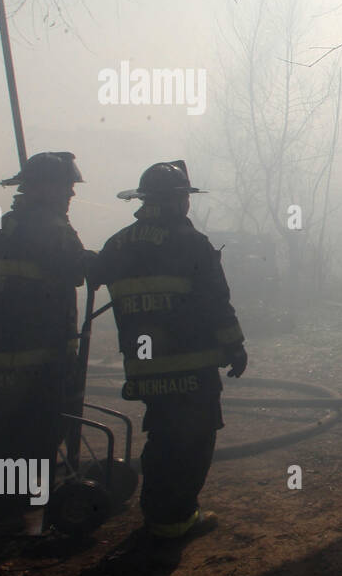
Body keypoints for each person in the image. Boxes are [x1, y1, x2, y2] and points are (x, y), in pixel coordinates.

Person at [89, 160, 246, 539]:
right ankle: (174, 520)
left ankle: (158, 513)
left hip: (145, 368)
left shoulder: (118, 243)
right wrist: (234, 345)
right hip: (191, 368)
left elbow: (94, 274)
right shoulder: (191, 243)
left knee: (162, 437)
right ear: (179, 201)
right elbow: (215, 301)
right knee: (192, 441)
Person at [0, 152, 91, 536]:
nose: (71, 193)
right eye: (66, 186)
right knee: (42, 430)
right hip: (43, 356)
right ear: (44, 187)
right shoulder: (53, 228)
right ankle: (30, 515)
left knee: (4, 428)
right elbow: (78, 269)